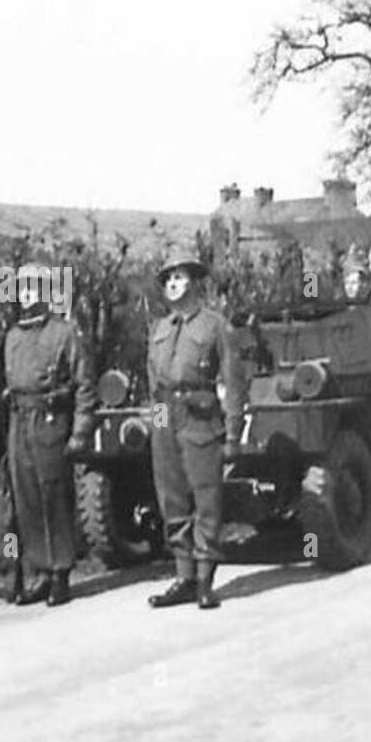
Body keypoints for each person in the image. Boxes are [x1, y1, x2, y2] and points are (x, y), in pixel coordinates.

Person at [147, 246, 244, 610]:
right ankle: (183, 576)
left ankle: (205, 579)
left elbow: (233, 381)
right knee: (172, 498)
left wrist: (232, 434)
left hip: (200, 417)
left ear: (195, 281)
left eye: (180, 276)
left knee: (206, 498)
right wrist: (159, 430)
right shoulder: (159, 328)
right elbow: (153, 383)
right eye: (168, 278)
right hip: (166, 417)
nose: (173, 283)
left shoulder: (214, 325)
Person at [3, 260, 96, 606]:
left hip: (51, 421)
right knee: (26, 498)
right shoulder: (12, 336)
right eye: (21, 287)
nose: (27, 293)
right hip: (20, 423)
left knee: (54, 496)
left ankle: (61, 573)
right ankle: (40, 570)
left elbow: (85, 385)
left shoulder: (65, 333)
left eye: (33, 287)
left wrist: (80, 433)